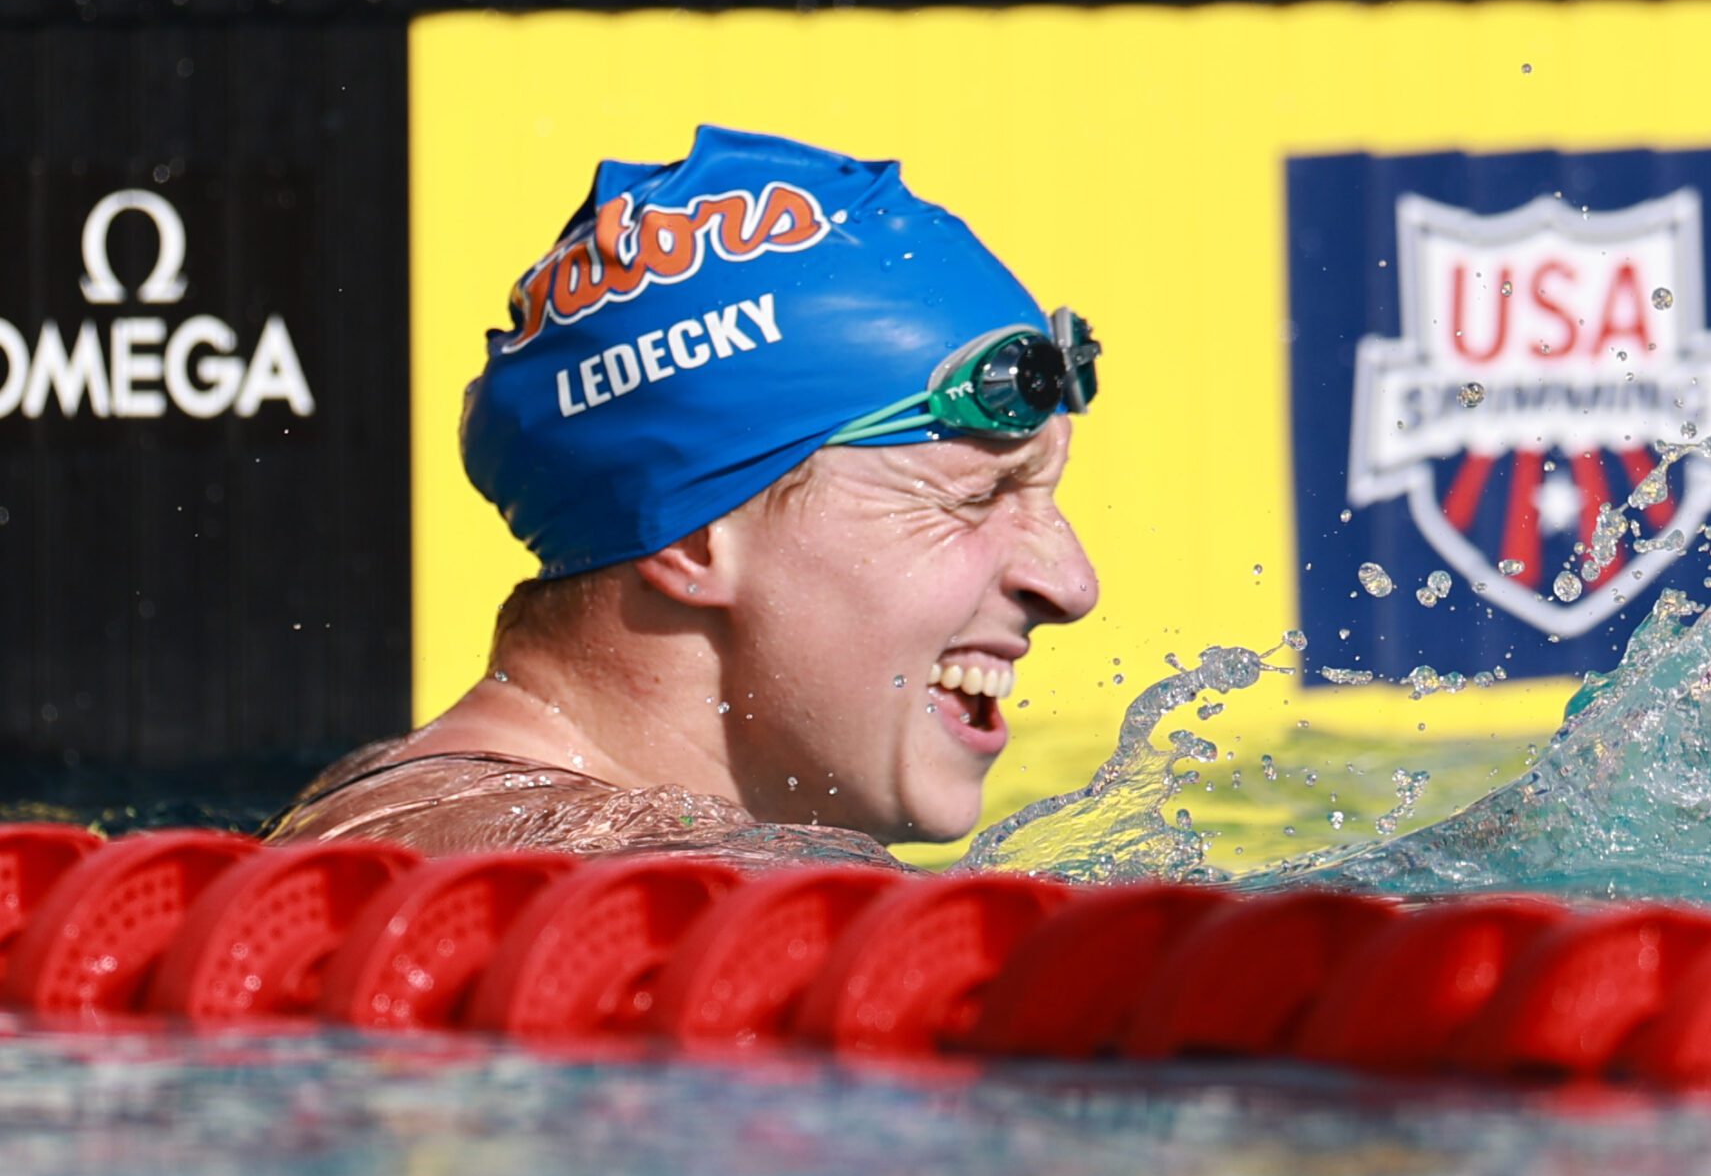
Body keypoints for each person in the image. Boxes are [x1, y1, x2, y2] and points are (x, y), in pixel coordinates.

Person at [270, 126, 1101, 861]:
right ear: (693, 535)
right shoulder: (553, 880)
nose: (1071, 585)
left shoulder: (450, 821)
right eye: (972, 497)